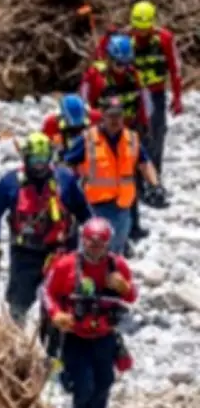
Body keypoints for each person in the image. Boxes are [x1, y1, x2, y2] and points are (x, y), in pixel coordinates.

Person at [42, 217, 137, 408]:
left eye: (100, 244)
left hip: (104, 337)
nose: (94, 249)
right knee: (83, 386)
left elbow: (132, 296)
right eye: (90, 243)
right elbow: (47, 292)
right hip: (75, 337)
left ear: (108, 244)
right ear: (83, 241)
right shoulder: (66, 265)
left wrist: (124, 287)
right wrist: (57, 315)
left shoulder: (118, 266)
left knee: (103, 384)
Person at [0, 132, 93, 327]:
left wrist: (93, 242)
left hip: (61, 251)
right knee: (18, 304)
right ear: (26, 157)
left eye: (43, 159)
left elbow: (83, 212)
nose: (39, 164)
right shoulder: (9, 183)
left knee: (62, 302)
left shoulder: (65, 179)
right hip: (25, 253)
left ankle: (55, 344)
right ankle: (16, 340)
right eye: (35, 159)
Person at [94, 0, 183, 185]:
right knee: (131, 133)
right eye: (137, 28)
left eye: (144, 29)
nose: (140, 33)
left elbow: (175, 68)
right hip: (133, 92)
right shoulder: (126, 36)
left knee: (156, 133)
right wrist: (106, 37)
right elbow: (104, 54)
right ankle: (131, 176)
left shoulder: (164, 38)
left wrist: (177, 97)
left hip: (155, 92)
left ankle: (154, 177)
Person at [63, 98, 167, 256]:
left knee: (115, 254)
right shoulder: (88, 139)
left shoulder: (131, 139)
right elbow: (67, 165)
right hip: (96, 208)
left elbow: (145, 164)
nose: (115, 120)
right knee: (96, 253)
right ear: (102, 116)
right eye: (111, 116)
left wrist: (155, 185)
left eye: (118, 115)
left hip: (123, 208)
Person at [81, 34, 154, 242]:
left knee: (129, 180)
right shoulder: (95, 76)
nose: (122, 67)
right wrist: (101, 120)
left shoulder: (134, 75)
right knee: (99, 180)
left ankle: (133, 226)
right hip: (101, 135)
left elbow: (143, 100)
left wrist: (145, 125)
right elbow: (85, 105)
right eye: (119, 63)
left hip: (127, 133)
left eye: (126, 63)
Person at [41, 93, 103, 160]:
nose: (76, 126)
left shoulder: (96, 117)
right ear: (61, 115)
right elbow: (47, 146)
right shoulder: (51, 123)